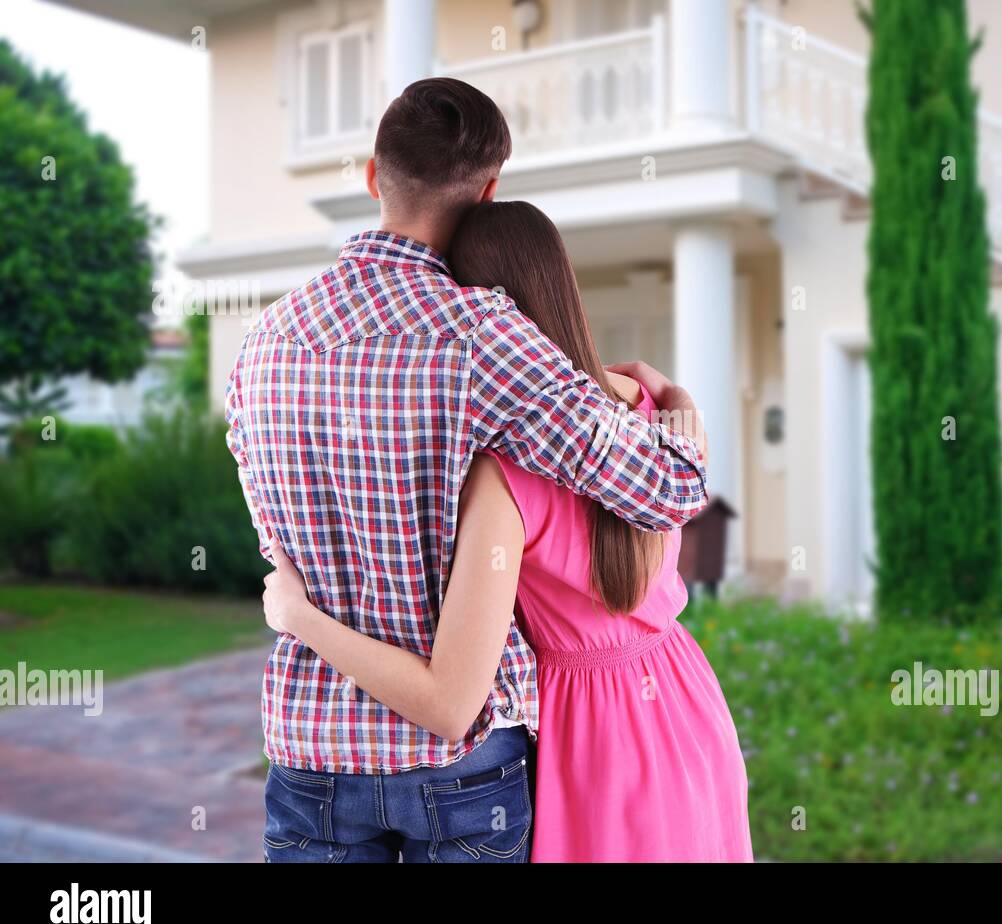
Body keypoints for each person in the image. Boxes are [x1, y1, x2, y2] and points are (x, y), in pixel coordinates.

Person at [226, 78, 709, 863]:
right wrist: (673, 398)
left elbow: (277, 546)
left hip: (309, 750)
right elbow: (669, 490)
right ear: (488, 191)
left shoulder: (263, 344)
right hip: (462, 770)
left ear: (374, 177)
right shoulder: (484, 333)